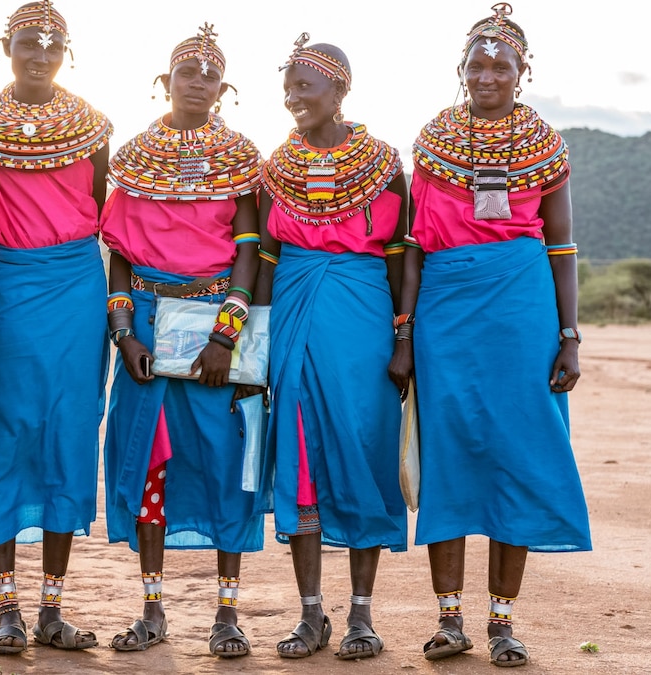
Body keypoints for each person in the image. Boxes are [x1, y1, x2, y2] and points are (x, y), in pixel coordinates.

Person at [391, 3, 592, 667]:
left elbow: (560, 245)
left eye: (501, 63)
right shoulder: (433, 139)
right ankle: (450, 620)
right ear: (460, 68)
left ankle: (503, 621)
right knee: (449, 454)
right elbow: (416, 243)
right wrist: (406, 329)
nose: (487, 73)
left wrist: (568, 334)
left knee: (517, 452)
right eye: (477, 63)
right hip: (446, 310)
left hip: (521, 309)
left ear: (523, 70)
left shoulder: (547, 144)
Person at [101, 23, 266, 659]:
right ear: (163, 83)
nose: (197, 83)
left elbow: (248, 254)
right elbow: (118, 254)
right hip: (145, 326)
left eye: (209, 75)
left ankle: (227, 614)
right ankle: (152, 610)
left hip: (216, 332)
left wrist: (226, 336)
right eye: (185, 73)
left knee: (226, 463)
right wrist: (123, 334)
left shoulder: (240, 158)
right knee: (150, 464)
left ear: (224, 88)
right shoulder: (136, 157)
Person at [0, 0, 112, 655]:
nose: (39, 52)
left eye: (52, 43)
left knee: (67, 432)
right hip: (6, 289)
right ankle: (6, 610)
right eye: (27, 41)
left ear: (67, 51)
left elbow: (105, 209)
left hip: (77, 287)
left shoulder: (92, 124)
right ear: (6, 47)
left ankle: (52, 608)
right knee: (2, 433)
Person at [256, 33, 410, 661]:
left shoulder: (383, 164)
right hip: (291, 322)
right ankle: (311, 615)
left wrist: (404, 338)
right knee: (299, 465)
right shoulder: (275, 169)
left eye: (306, 86)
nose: (294, 98)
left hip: (363, 328)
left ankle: (363, 617)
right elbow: (265, 262)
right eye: (288, 87)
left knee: (364, 451)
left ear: (340, 89)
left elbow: (402, 257)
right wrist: (253, 341)